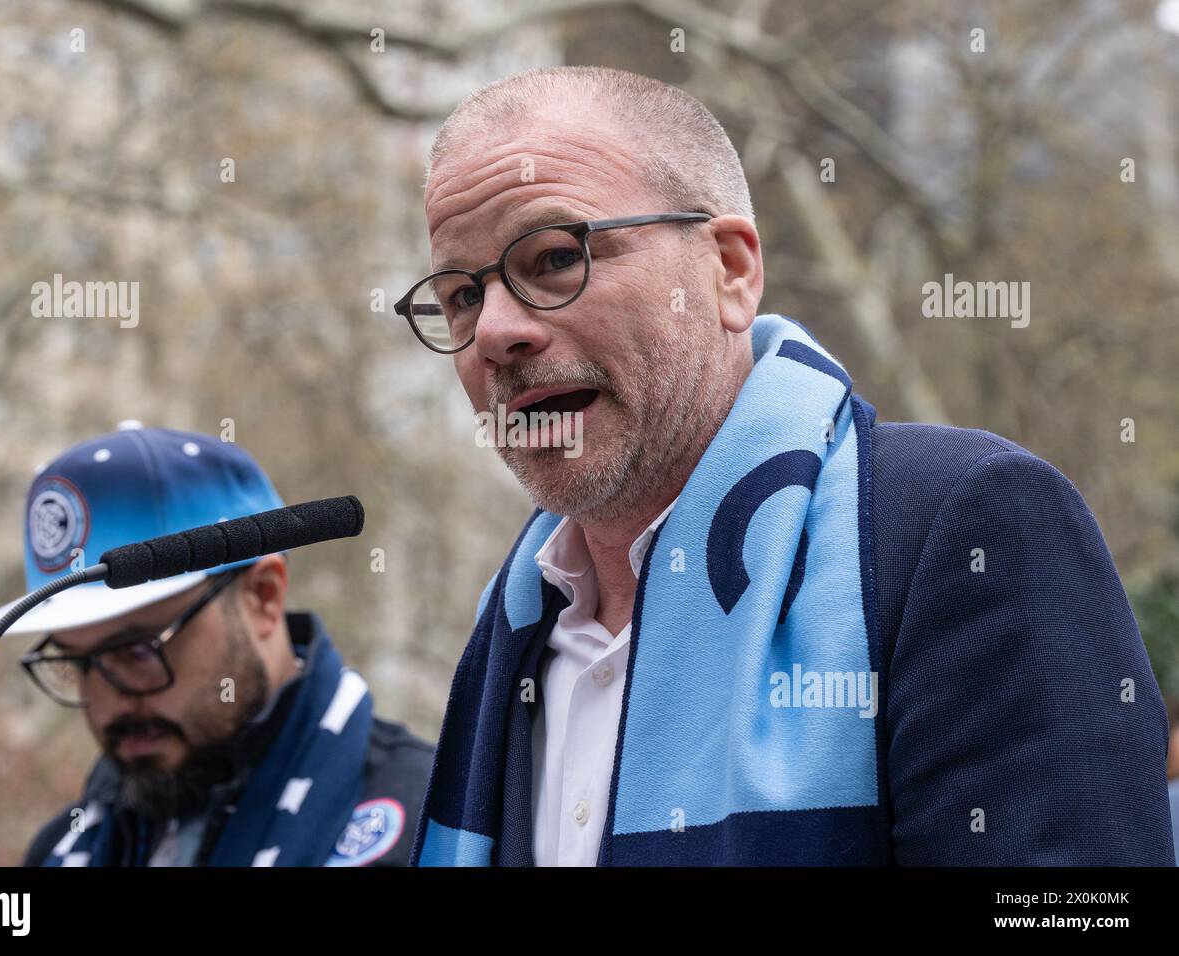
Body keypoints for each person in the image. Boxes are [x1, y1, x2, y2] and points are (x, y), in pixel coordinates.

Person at [397, 66, 1175, 865]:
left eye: (555, 258)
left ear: (730, 270)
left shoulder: (958, 526)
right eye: (459, 296)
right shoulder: (512, 624)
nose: (494, 330)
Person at [0, 422, 432, 867]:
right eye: (78, 662)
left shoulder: (432, 820)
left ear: (263, 597)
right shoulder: (63, 849)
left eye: (137, 649)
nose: (106, 702)